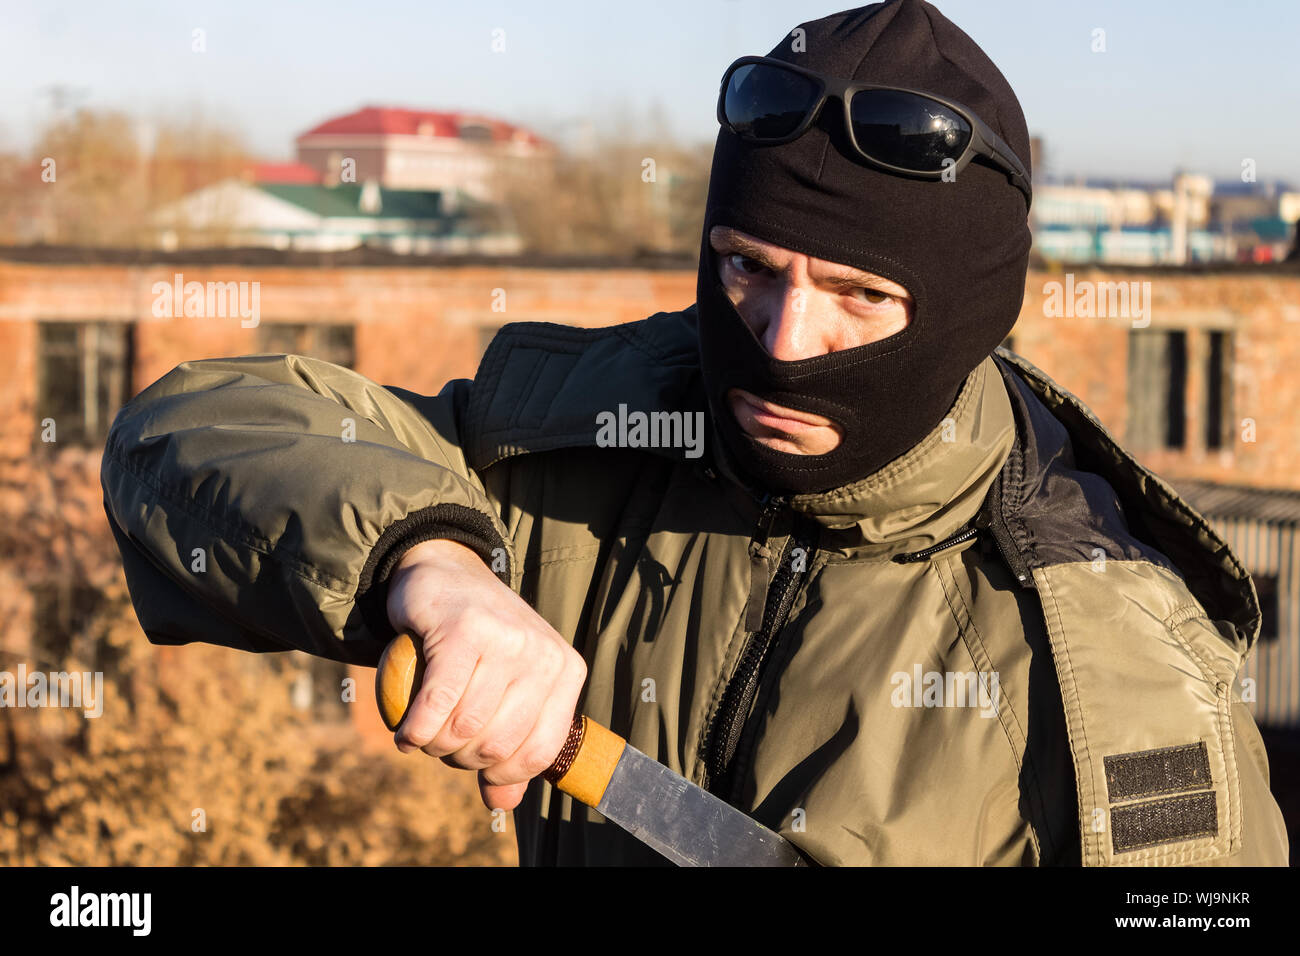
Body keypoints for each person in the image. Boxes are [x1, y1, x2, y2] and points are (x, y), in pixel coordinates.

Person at [101, 0, 1289, 865]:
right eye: (747, 267)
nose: (780, 338)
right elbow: (187, 430)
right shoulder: (587, 449)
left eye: (860, 296)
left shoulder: (1119, 678)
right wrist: (431, 559)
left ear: (971, 316)